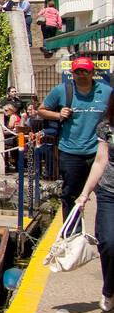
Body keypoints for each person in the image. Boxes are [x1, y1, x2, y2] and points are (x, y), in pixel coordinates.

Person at [40, 55, 114, 219]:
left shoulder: (106, 91)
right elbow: (42, 109)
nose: (81, 75)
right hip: (71, 151)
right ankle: (71, 232)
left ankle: (103, 231)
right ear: (72, 73)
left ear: (92, 72)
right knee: (70, 195)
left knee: (104, 194)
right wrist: (58, 114)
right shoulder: (62, 90)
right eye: (77, 71)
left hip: (98, 151)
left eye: (85, 71)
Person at [75, 96, 114, 312]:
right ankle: (109, 290)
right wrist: (84, 194)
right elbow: (101, 161)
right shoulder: (106, 127)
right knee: (108, 242)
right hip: (110, 190)